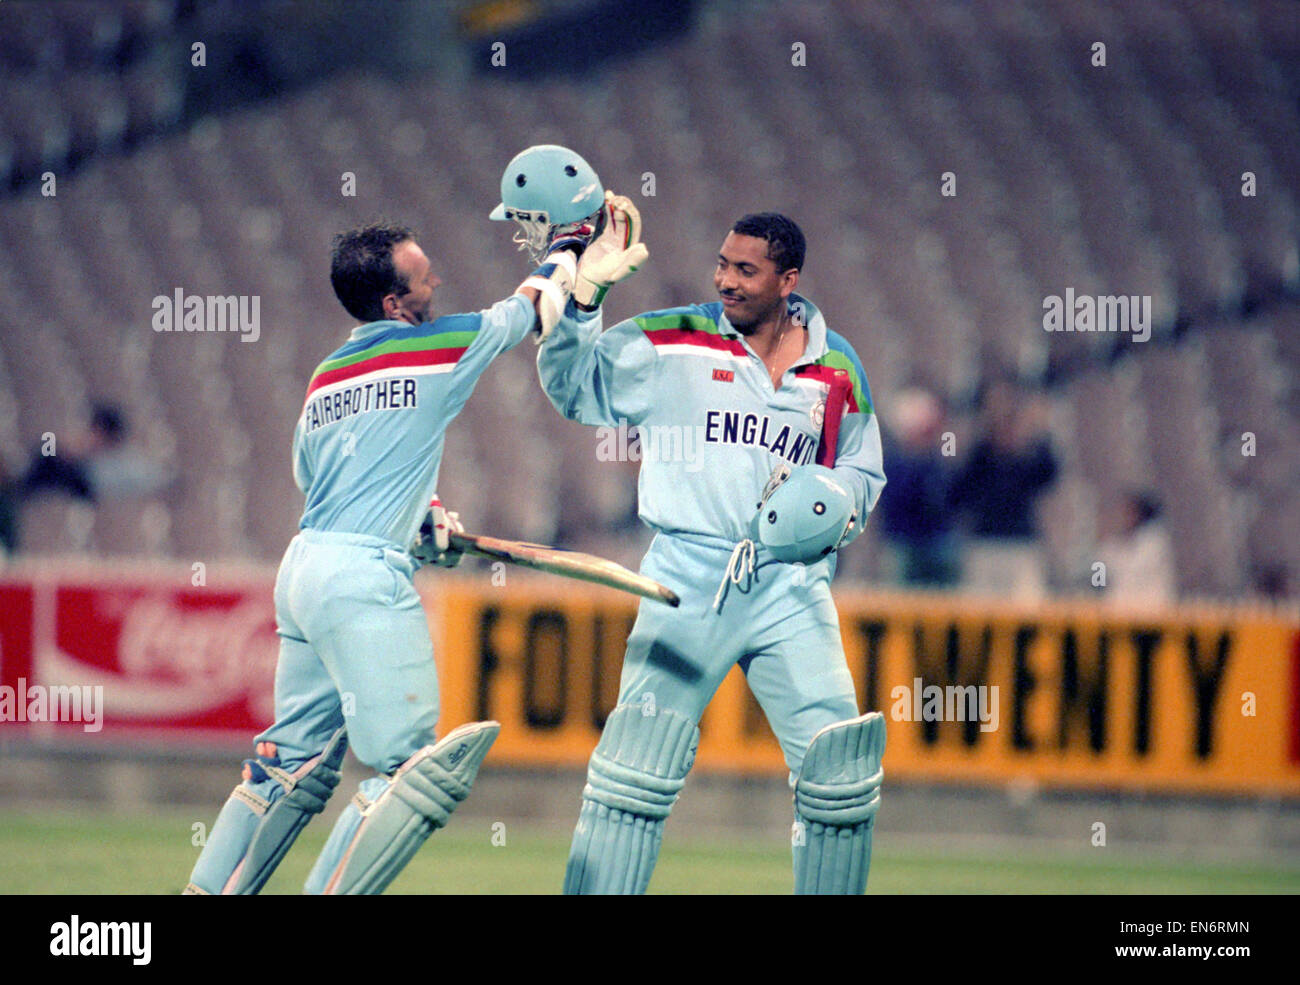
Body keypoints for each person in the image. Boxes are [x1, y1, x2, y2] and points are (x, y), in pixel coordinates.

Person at [184, 193, 595, 893]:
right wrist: (572, 244)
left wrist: (421, 515)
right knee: (411, 771)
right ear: (395, 302)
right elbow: (528, 310)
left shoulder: (323, 379)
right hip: (362, 580)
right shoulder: (434, 346)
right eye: (423, 277)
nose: (436, 285)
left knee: (289, 765)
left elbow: (317, 479)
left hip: (307, 566)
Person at [535, 208, 887, 894]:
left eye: (745, 270)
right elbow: (574, 390)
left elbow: (862, 475)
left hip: (793, 586)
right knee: (633, 770)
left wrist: (829, 506)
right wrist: (583, 303)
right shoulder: (675, 338)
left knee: (841, 772)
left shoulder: (838, 364)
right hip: (685, 578)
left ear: (789, 279)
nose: (725, 280)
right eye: (722, 264)